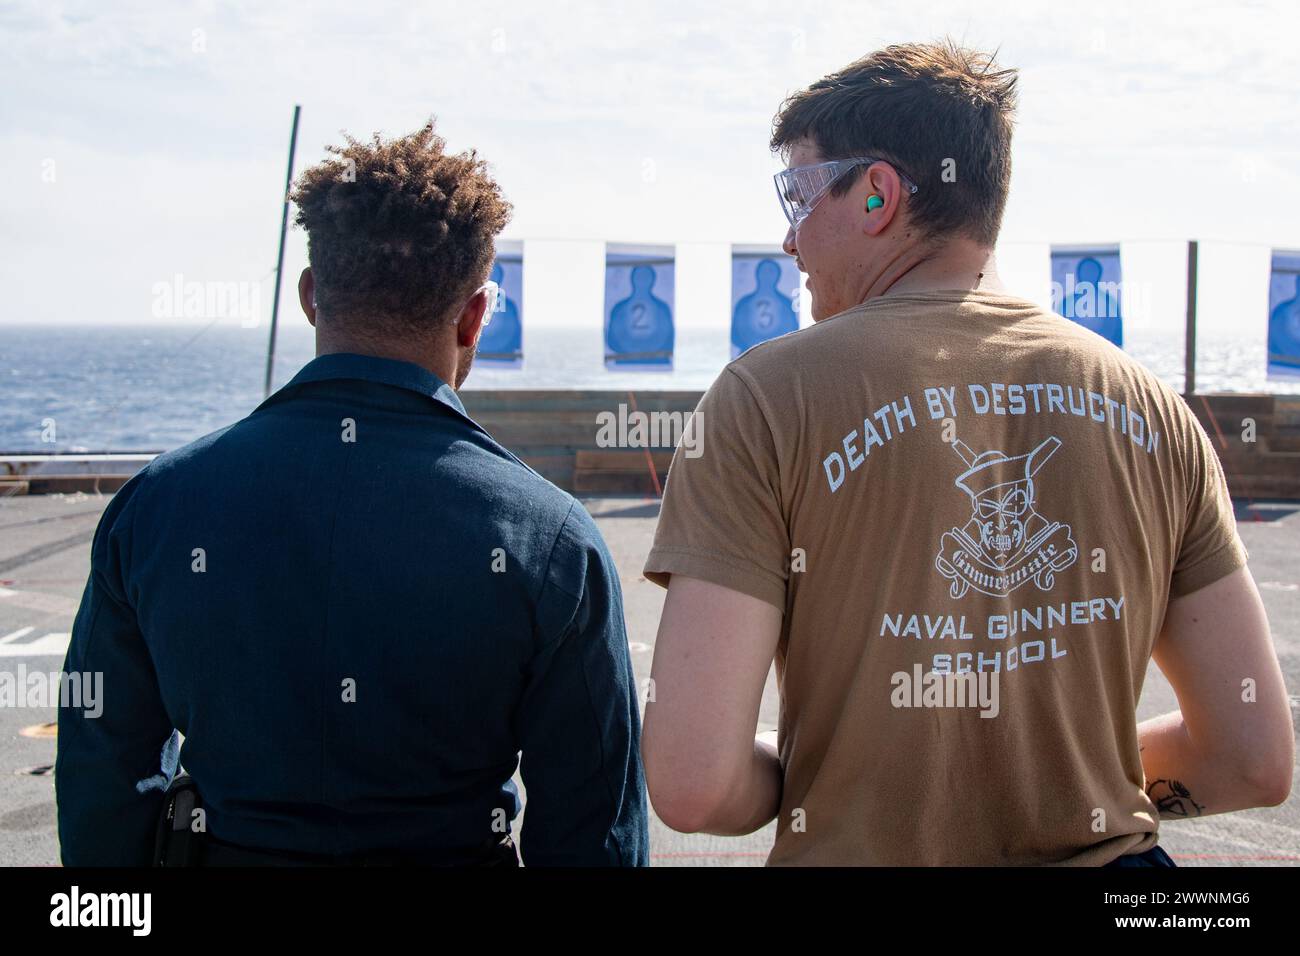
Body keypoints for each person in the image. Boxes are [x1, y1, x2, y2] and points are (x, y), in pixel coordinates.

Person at [640, 41, 1293, 865]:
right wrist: (1076, 781)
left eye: (799, 194)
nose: (788, 240)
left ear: (877, 193)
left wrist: (822, 781)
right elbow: (1253, 760)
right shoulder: (1156, 410)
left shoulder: (764, 401)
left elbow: (693, 782)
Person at [56, 123, 648, 866]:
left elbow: (101, 778)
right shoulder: (551, 540)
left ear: (310, 296)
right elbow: (595, 832)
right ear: (474, 317)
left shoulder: (154, 509)